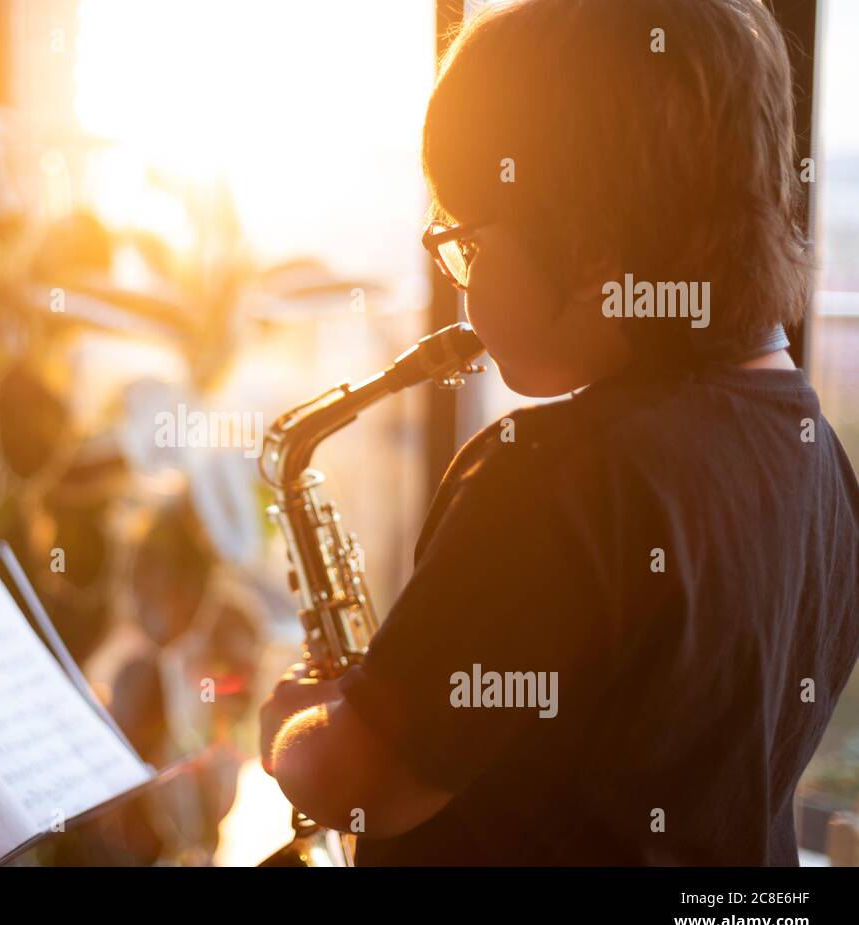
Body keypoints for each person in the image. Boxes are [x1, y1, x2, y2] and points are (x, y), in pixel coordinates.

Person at [258, 0, 859, 865]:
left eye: (466, 241)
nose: (461, 285)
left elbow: (354, 782)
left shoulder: (547, 479)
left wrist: (295, 722)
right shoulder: (820, 459)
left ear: (585, 250)